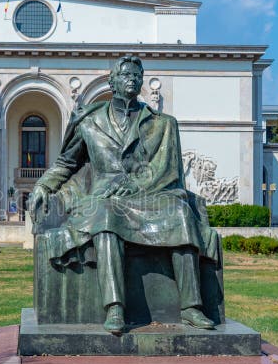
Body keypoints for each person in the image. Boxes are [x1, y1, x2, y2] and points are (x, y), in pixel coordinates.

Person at [30, 55, 217, 335]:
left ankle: (191, 307)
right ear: (111, 81)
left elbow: (170, 170)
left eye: (136, 75)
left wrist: (138, 184)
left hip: (149, 194)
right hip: (104, 198)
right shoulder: (89, 122)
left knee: (180, 212)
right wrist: (43, 186)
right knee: (106, 214)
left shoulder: (162, 124)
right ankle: (115, 307)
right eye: (125, 74)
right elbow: (66, 164)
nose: (132, 78)